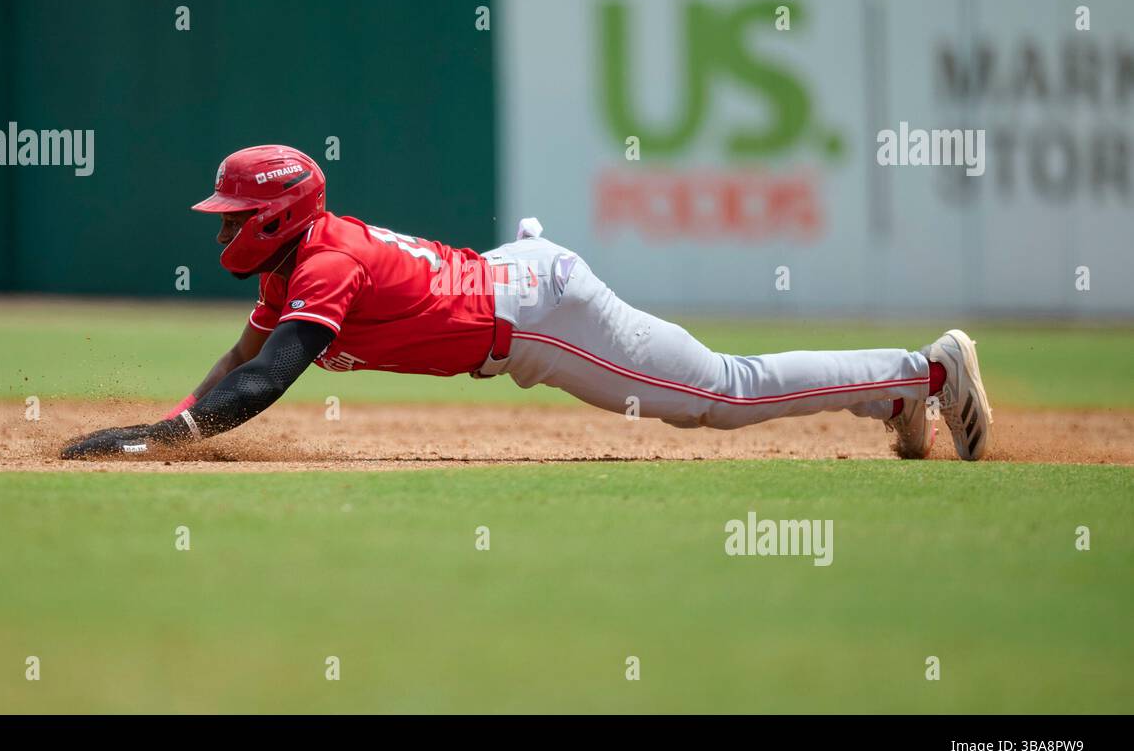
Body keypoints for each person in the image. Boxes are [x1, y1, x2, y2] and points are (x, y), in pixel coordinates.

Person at [61, 145, 992, 461]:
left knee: (721, 393)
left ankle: (928, 372)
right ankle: (898, 392)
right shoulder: (296, 262)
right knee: (722, 387)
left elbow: (265, 382)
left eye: (238, 214)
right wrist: (168, 424)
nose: (225, 229)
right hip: (514, 281)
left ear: (281, 216)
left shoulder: (324, 264)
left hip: (542, 316)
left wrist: (159, 441)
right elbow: (238, 365)